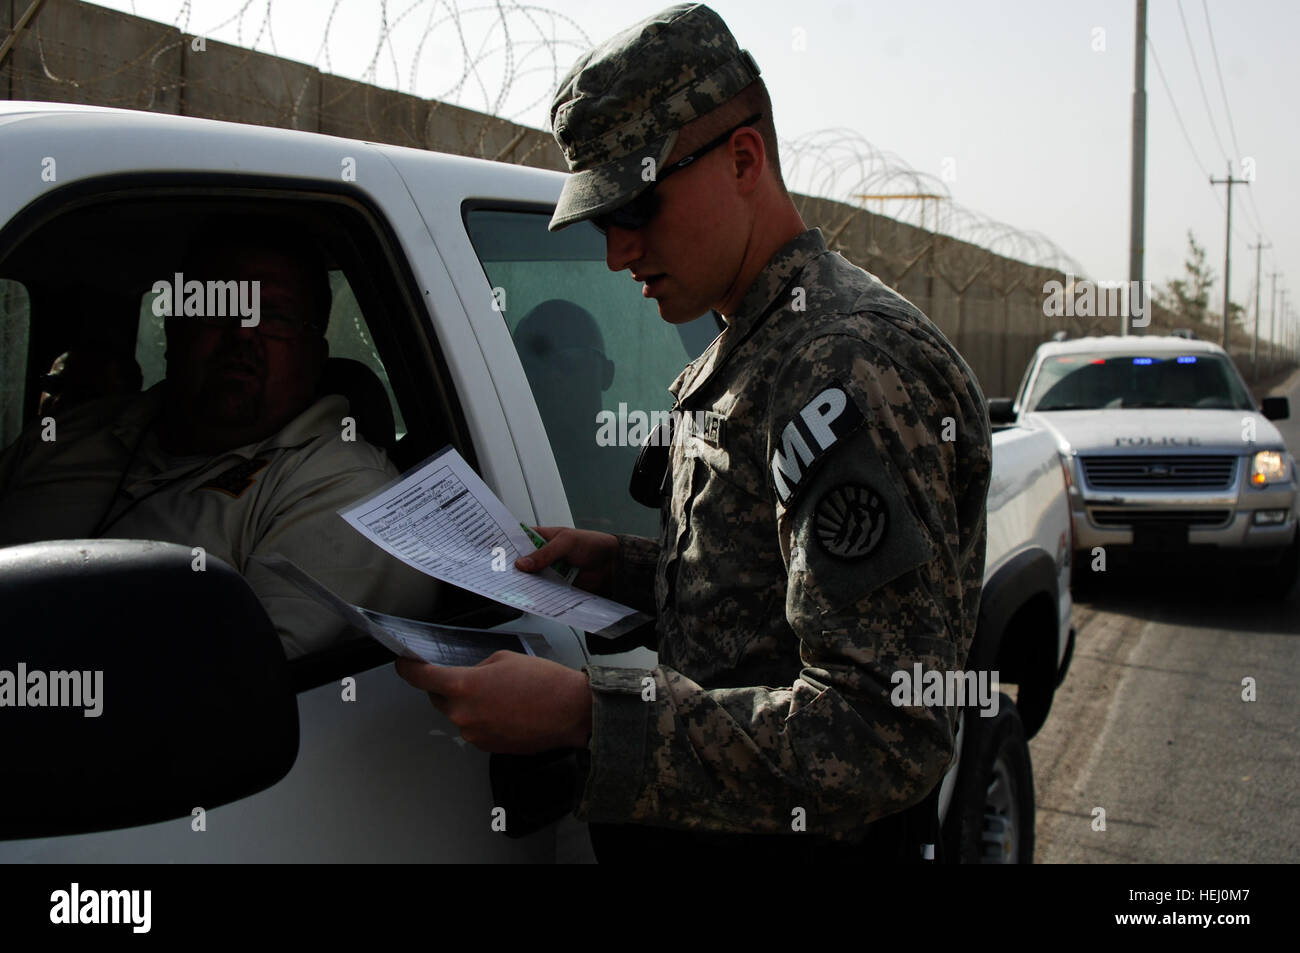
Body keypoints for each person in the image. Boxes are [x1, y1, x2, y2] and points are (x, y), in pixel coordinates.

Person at [395, 2, 991, 859]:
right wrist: (629, 566)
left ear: (743, 158)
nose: (617, 252)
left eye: (636, 208)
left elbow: (885, 730)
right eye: (603, 221)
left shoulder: (847, 363)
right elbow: (775, 591)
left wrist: (583, 715)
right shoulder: (759, 338)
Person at [0, 222, 435, 658]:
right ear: (174, 328)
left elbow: (248, 691)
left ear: (314, 356)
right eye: (217, 303)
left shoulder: (342, 488)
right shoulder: (66, 434)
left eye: (277, 316)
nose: (243, 330)